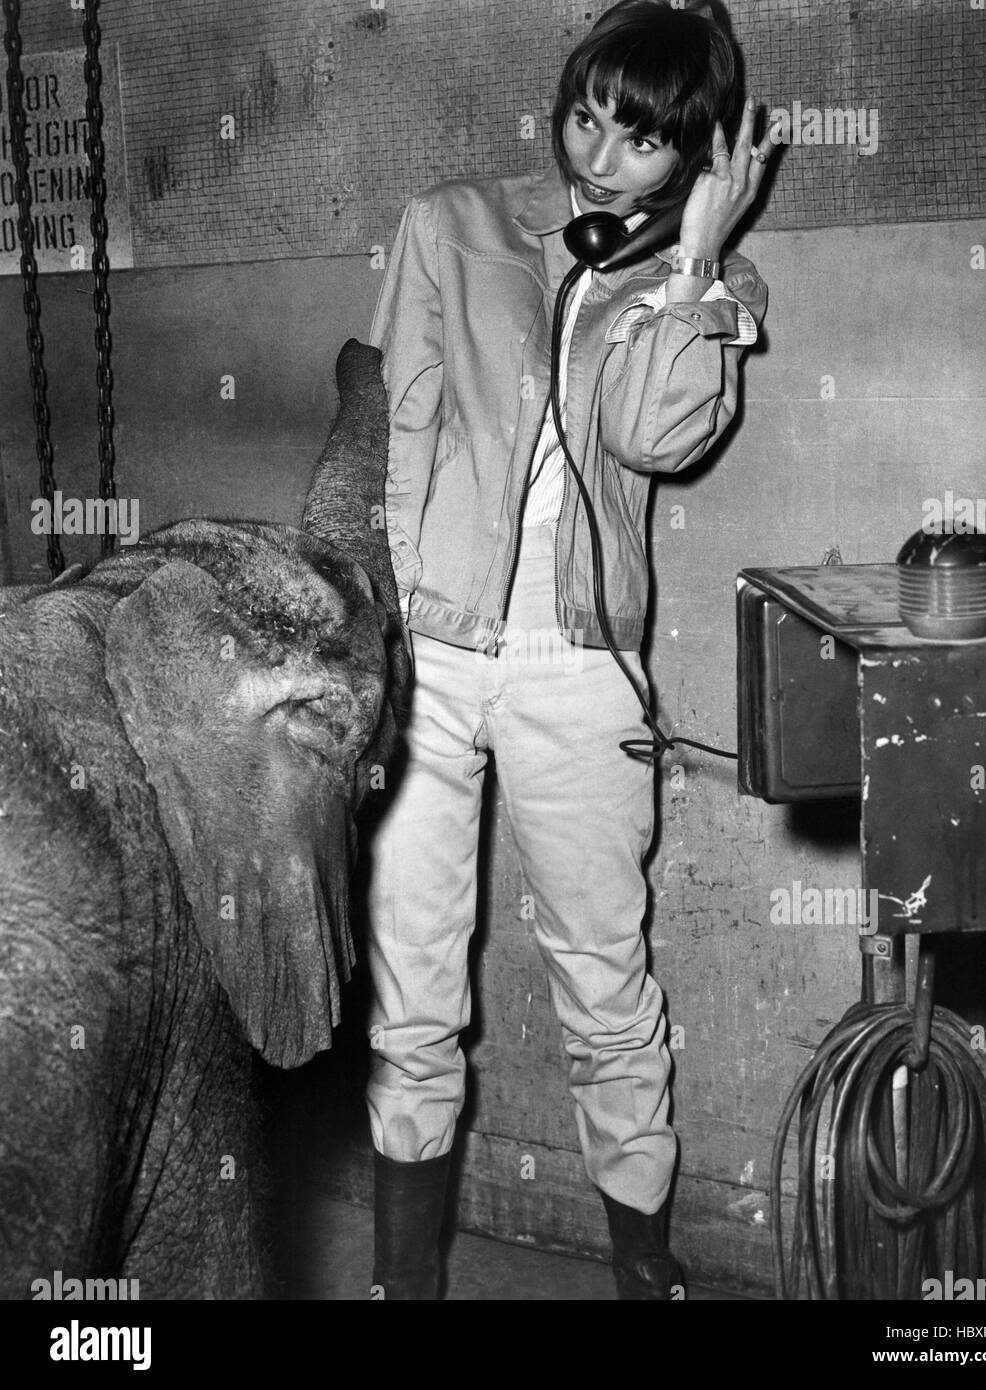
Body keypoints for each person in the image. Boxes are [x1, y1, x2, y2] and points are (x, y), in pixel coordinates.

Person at [364, 0, 776, 1300]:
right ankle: (402, 1279)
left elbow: (660, 437)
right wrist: (373, 627)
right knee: (412, 988)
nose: (597, 153)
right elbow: (385, 432)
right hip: (425, 655)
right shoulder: (451, 227)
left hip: (579, 662)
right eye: (586, 115)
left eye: (640, 138)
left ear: (693, 152)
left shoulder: (706, 288)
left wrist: (694, 261)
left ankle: (639, 1265)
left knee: (605, 979)